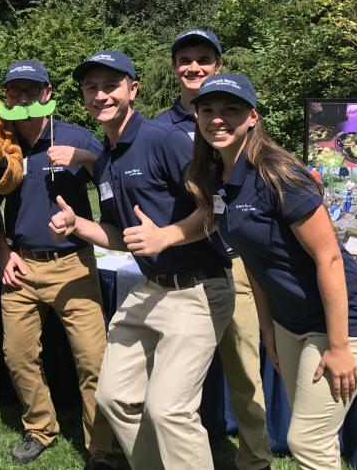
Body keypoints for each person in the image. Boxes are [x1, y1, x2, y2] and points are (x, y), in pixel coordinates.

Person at [138, 74, 357, 469]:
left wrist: (339, 347)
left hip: (345, 320)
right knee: (311, 430)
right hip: (290, 323)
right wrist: (269, 329)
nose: (217, 119)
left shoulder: (278, 174)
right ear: (196, 116)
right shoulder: (215, 179)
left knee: (307, 441)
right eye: (208, 110)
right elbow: (253, 259)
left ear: (252, 116)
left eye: (230, 110)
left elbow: (330, 259)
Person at [48, 50, 234, 470]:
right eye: (91, 88)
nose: (100, 96)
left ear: (132, 90)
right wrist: (78, 224)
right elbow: (122, 236)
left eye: (110, 86)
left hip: (200, 288)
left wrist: (165, 235)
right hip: (151, 289)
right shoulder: (107, 158)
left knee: (168, 410)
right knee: (113, 397)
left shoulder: (164, 140)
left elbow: (217, 209)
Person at [150, 29, 273, 470]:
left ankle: (255, 459)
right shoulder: (157, 128)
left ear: (218, 65)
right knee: (174, 382)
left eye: (204, 58)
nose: (194, 67)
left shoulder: (237, 118)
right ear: (174, 67)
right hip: (182, 268)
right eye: (185, 59)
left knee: (243, 371)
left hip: (234, 263)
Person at [0, 60, 116, 468]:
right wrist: (4, 252)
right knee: (18, 355)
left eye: (31, 89)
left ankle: (102, 449)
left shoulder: (77, 136)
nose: (23, 97)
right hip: (21, 266)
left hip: (73, 265)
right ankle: (40, 427)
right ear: (7, 96)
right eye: (15, 91)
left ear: (47, 92)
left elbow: (113, 180)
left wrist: (85, 158)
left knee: (93, 360)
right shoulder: (2, 145)